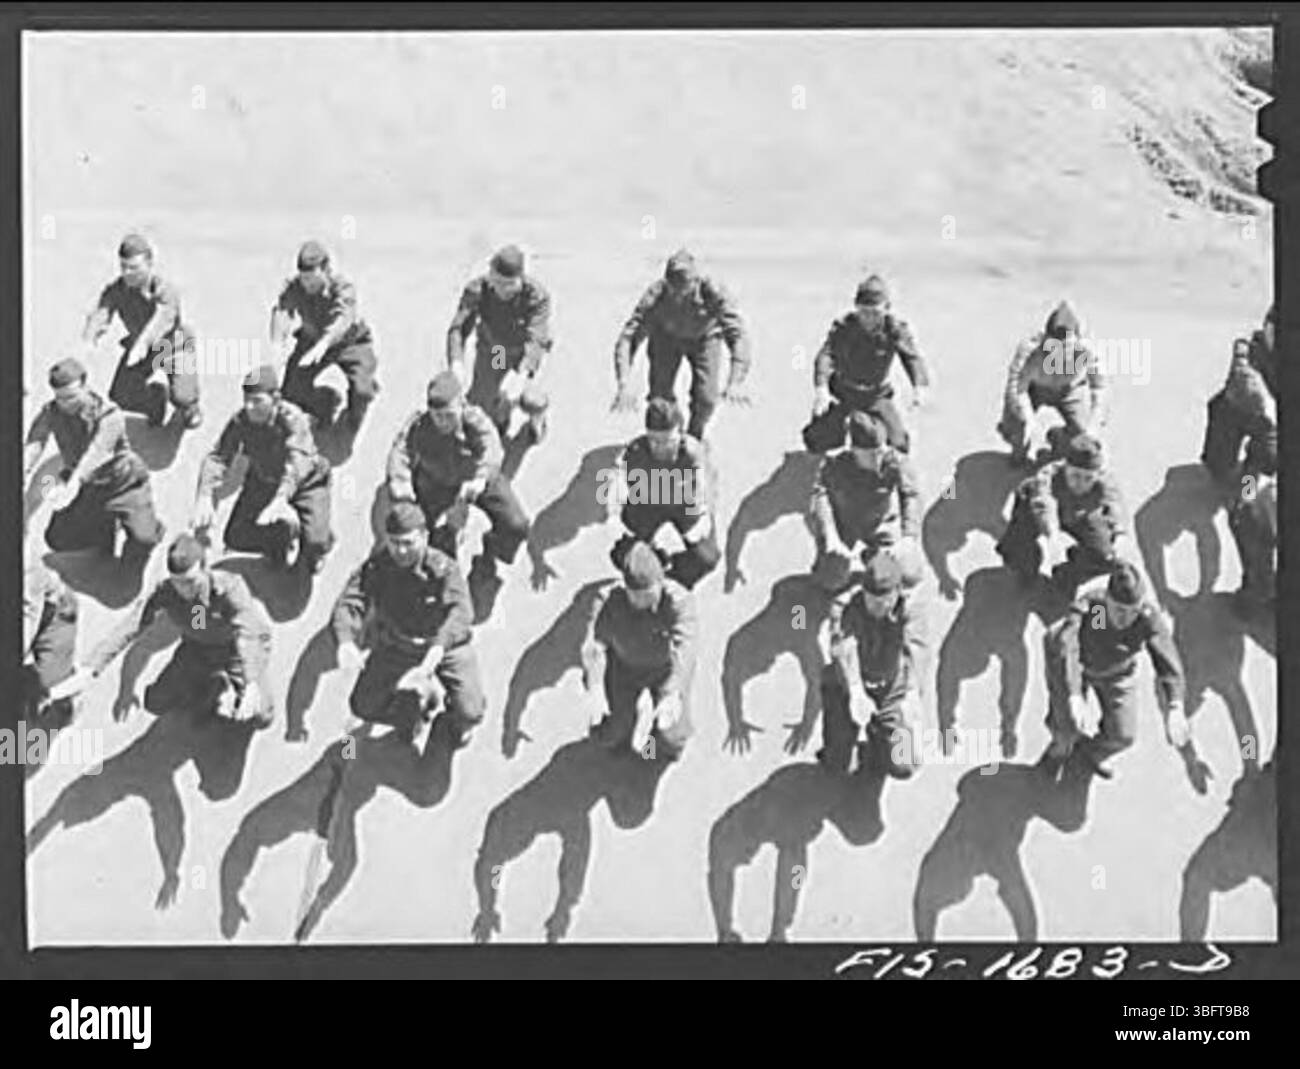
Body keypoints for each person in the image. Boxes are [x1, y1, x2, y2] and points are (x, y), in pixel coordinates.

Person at [57, 535, 276, 728]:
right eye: (178, 583)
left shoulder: (229, 587)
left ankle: (229, 687)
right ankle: (212, 687)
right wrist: (92, 668)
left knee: (261, 715)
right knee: (156, 701)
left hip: (234, 649)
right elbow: (129, 627)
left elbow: (248, 631)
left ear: (204, 568)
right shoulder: (166, 592)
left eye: (190, 582)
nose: (184, 590)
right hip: (198, 647)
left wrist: (251, 681)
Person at [331, 503, 486, 752]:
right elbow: (350, 602)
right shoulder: (378, 567)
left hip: (444, 647)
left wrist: (434, 655)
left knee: (471, 712)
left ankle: (451, 721)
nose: (401, 551)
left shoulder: (443, 568)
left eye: (408, 542)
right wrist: (346, 641)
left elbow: (461, 612)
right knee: (362, 706)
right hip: (398, 644)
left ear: (424, 537)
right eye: (394, 542)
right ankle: (415, 710)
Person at [1042, 562, 1187, 780]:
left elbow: (1167, 658)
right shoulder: (1097, 609)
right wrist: (1074, 693)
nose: (1125, 618)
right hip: (1076, 664)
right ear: (1108, 599)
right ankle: (1059, 748)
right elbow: (1069, 645)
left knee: (1124, 735)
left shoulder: (1146, 618)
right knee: (1066, 726)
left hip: (1116, 671)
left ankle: (1093, 752)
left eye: (1133, 611)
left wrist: (1175, 705)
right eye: (1119, 610)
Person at [387, 370, 531, 588]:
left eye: (449, 415)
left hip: (475, 481)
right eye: (437, 416)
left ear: (461, 405)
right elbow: (400, 451)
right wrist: (401, 482)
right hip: (436, 483)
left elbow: (492, 447)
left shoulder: (474, 419)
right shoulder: (419, 425)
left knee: (516, 525)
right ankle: (434, 570)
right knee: (418, 530)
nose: (443, 422)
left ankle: (492, 552)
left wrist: (480, 479)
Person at [194, 364, 334, 573]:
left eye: (257, 401)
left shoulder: (293, 420)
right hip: (264, 480)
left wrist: (281, 498)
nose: (249, 407)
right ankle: (281, 538)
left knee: (315, 542)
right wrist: (205, 495)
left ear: (276, 399)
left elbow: (296, 464)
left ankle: (317, 544)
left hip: (306, 483)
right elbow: (217, 457)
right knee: (236, 536)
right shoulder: (241, 420)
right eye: (246, 400)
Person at [23, 357, 165, 562]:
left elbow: (96, 453)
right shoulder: (52, 410)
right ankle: (104, 526)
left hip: (121, 482)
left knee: (144, 540)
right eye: (60, 398)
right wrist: (24, 467)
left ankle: (145, 524)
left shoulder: (109, 415)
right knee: (56, 539)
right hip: (88, 487)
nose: (65, 404)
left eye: (71, 397)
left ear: (85, 387)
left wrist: (68, 488)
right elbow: (36, 440)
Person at [611, 249, 752, 440]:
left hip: (705, 338)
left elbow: (738, 335)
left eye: (683, 289)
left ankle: (694, 435)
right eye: (672, 288)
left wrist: (736, 381)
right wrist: (624, 382)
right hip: (666, 337)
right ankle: (668, 435)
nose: (677, 295)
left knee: (707, 399)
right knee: (659, 399)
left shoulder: (713, 292)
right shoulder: (655, 296)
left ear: (695, 283)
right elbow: (628, 338)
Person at [579, 541, 698, 761]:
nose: (641, 601)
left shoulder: (679, 600)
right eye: (635, 595)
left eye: (648, 594)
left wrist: (673, 691)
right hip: (623, 670)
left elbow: (686, 646)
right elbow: (595, 645)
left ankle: (653, 750)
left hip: (664, 671)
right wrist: (595, 686)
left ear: (661, 582)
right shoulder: (607, 599)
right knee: (611, 730)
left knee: (672, 731)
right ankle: (618, 744)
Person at [818, 553, 928, 781]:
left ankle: (879, 733)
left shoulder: (910, 608)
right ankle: (843, 738)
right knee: (838, 765)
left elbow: (917, 649)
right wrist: (856, 692)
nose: (877, 606)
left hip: (891, 691)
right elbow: (844, 647)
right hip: (848, 686)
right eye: (871, 599)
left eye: (884, 600)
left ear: (898, 591)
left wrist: (912, 694)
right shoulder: (846, 606)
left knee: (905, 766)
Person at [81, 232, 203, 430]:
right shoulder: (117, 289)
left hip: (174, 345)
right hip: (141, 348)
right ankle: (155, 401)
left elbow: (163, 318)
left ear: (149, 264)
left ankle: (190, 409)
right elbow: (102, 310)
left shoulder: (164, 289)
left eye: (134, 268)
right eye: (124, 267)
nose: (128, 273)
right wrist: (90, 337)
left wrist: (143, 344)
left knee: (183, 396)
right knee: (121, 394)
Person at [802, 274, 930, 455]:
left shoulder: (894, 329)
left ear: (886, 308)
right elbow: (826, 355)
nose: (869, 318)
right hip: (845, 392)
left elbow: (912, 357)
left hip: (876, 395)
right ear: (856, 309)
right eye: (863, 312)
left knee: (900, 444)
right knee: (816, 442)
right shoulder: (845, 327)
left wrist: (919, 386)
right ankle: (832, 425)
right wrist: (821, 389)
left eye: (875, 313)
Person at [995, 432, 1132, 596]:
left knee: (1106, 558)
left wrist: (1119, 535)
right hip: (1038, 511)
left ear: (1098, 475)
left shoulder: (1106, 481)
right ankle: (1027, 567)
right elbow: (1045, 506)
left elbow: (1115, 507)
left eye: (1088, 478)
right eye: (1075, 475)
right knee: (1015, 548)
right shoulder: (1047, 477)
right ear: (1065, 467)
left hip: (1081, 515)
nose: (1080, 483)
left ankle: (1067, 574)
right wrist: (1053, 537)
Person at [606, 398, 720, 591]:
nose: (660, 447)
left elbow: (705, 488)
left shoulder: (693, 452)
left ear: (680, 434)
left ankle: (672, 579)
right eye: (653, 440)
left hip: (683, 503)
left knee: (707, 558)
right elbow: (620, 486)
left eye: (667, 441)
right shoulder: (635, 452)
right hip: (648, 502)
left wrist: (704, 515)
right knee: (624, 559)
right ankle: (655, 562)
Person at [808, 410, 924, 598]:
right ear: (854, 451)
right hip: (844, 529)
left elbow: (910, 496)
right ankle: (845, 564)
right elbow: (820, 497)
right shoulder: (834, 464)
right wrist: (831, 537)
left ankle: (873, 559)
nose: (877, 459)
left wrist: (909, 536)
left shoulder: (895, 461)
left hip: (879, 527)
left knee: (909, 575)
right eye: (869, 455)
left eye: (880, 452)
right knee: (831, 580)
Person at [446, 244, 552, 444]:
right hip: (498, 350)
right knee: (487, 398)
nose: (501, 289)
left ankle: (538, 418)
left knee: (528, 399)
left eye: (508, 284)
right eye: (496, 281)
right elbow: (459, 329)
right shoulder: (478, 290)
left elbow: (536, 338)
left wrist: (520, 377)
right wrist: (456, 364)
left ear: (521, 279)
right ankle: (500, 419)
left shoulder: (537, 296)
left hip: (524, 354)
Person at [271, 240, 380, 431]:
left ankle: (356, 411)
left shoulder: (343, 287)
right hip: (311, 341)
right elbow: (282, 311)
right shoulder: (295, 286)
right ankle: (326, 402)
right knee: (290, 392)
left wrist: (325, 343)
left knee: (363, 391)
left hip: (350, 343)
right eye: (304, 280)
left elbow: (344, 318)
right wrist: (277, 345)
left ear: (326, 270)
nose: (307, 286)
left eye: (312, 280)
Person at [997, 301, 1107, 466]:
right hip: (1035, 390)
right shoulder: (1029, 350)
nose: (1060, 354)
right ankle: (1018, 454)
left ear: (1078, 339)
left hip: (1070, 392)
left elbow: (1099, 389)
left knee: (1084, 438)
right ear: (1044, 338)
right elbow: (1016, 387)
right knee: (1018, 426)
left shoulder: (1086, 351)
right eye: (1053, 347)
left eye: (1067, 347)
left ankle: (1058, 441)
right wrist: (1027, 419)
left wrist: (1093, 427)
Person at [1202, 305, 1276, 488]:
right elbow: (1244, 372)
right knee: (1222, 468)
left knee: (1262, 461)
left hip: (1266, 430)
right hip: (1239, 414)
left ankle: (1247, 496)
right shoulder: (1250, 359)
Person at [23, 546, 79, 720]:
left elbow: (27, 622)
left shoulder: (25, 568)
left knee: (53, 689)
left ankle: (61, 695)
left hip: (52, 613)